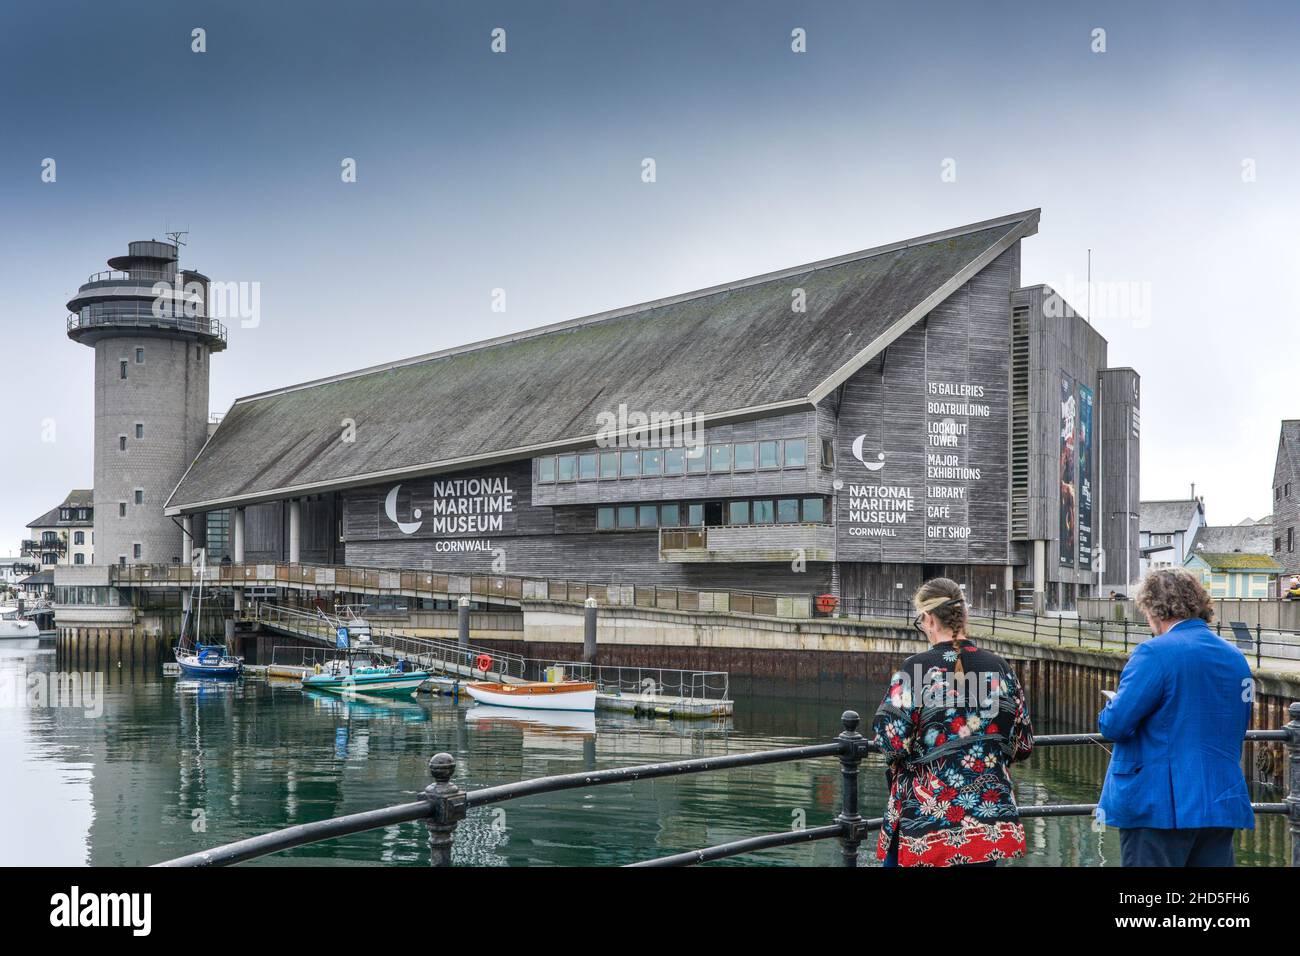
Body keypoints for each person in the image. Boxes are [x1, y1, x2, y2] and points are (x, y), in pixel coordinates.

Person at [870, 577, 1034, 867]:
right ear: (963, 616)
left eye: (921, 622)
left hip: (925, 823)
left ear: (930, 619)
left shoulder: (916, 670)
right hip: (986, 824)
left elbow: (891, 742)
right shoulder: (1001, 669)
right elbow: (1022, 744)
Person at [1097, 567, 1253, 866]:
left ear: (1154, 608)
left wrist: (1112, 706)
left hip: (1160, 805)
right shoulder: (1235, 657)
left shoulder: (1154, 653)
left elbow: (1115, 725)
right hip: (1220, 800)